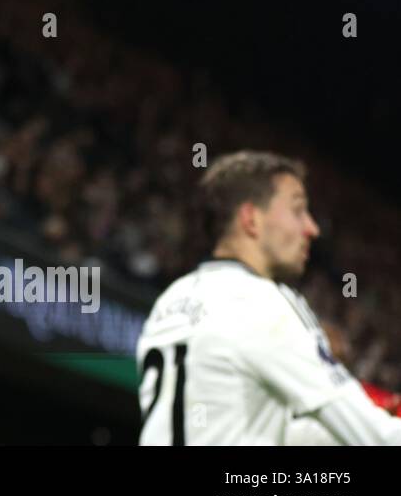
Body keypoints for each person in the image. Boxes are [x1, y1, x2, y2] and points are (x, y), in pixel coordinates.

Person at [136, 151, 401, 445]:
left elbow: (243, 432)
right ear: (251, 219)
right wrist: (373, 420)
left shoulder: (172, 299)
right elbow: (379, 439)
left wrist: (367, 416)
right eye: (298, 210)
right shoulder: (267, 302)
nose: (312, 228)